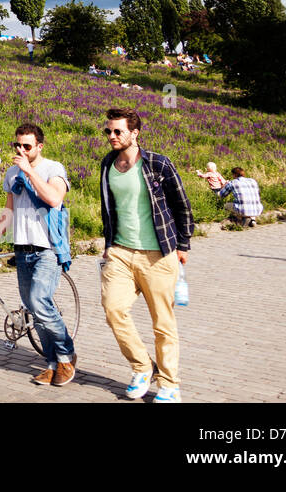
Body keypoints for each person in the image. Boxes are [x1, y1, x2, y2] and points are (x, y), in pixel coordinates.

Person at [98, 106, 193, 403]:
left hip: (158, 254)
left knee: (162, 323)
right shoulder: (107, 164)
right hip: (121, 253)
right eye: (108, 131)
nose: (111, 136)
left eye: (118, 131)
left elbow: (182, 205)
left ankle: (169, 384)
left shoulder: (157, 164)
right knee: (114, 310)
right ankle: (142, 366)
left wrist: (183, 245)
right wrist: (109, 244)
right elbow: (108, 208)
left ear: (134, 133)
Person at [0, 123, 76, 387]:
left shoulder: (53, 169)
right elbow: (9, 210)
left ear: (39, 147)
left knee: (39, 301)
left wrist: (29, 171)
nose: (21, 150)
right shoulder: (11, 173)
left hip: (48, 249)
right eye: (17, 145)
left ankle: (67, 353)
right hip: (23, 249)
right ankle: (53, 364)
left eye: (27, 146)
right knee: (34, 308)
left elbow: (54, 198)